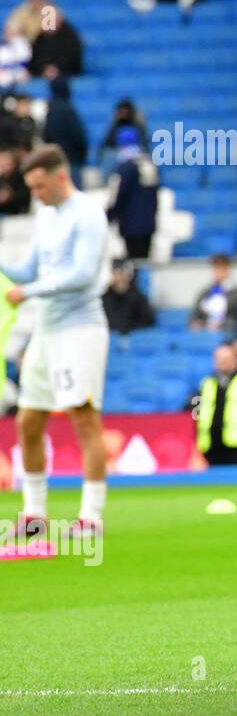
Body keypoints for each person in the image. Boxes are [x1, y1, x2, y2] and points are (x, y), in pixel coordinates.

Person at [0, 145, 110, 539]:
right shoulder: (45, 216)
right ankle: (34, 514)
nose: (36, 194)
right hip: (46, 331)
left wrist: (29, 292)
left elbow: (82, 274)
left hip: (80, 328)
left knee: (84, 419)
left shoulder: (88, 214)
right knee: (29, 421)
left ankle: (91, 517)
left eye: (40, 186)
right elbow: (28, 268)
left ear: (60, 177)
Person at [193, 343, 237, 467]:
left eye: (226, 359)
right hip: (211, 446)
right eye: (218, 359)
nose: (221, 362)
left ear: (236, 360)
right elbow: (196, 413)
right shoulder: (206, 383)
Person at [105, 130, 159, 259]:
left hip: (131, 225)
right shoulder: (149, 164)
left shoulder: (125, 167)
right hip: (149, 224)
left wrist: (108, 216)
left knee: (133, 262)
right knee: (143, 261)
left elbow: (119, 196)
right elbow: (155, 194)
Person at [189, 253, 237, 331]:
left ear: (228, 270)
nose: (219, 272)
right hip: (206, 332)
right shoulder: (205, 293)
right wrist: (196, 323)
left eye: (222, 268)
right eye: (216, 268)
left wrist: (223, 324)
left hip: (227, 334)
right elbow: (194, 315)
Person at [101, 257, 154, 334]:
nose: (117, 276)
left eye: (120, 272)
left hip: (133, 337)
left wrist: (130, 329)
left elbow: (147, 319)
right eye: (114, 272)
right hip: (109, 337)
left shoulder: (138, 297)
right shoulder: (105, 298)